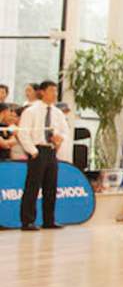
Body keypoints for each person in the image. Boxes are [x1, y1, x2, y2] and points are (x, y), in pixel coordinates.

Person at [18, 82, 67, 231]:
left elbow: (65, 130)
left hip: (51, 150)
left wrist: (59, 138)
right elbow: (23, 133)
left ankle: (49, 220)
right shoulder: (31, 111)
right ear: (42, 92)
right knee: (32, 187)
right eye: (51, 90)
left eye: (55, 91)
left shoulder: (58, 113)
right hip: (37, 150)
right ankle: (28, 221)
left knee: (51, 187)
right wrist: (33, 151)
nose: (54, 94)